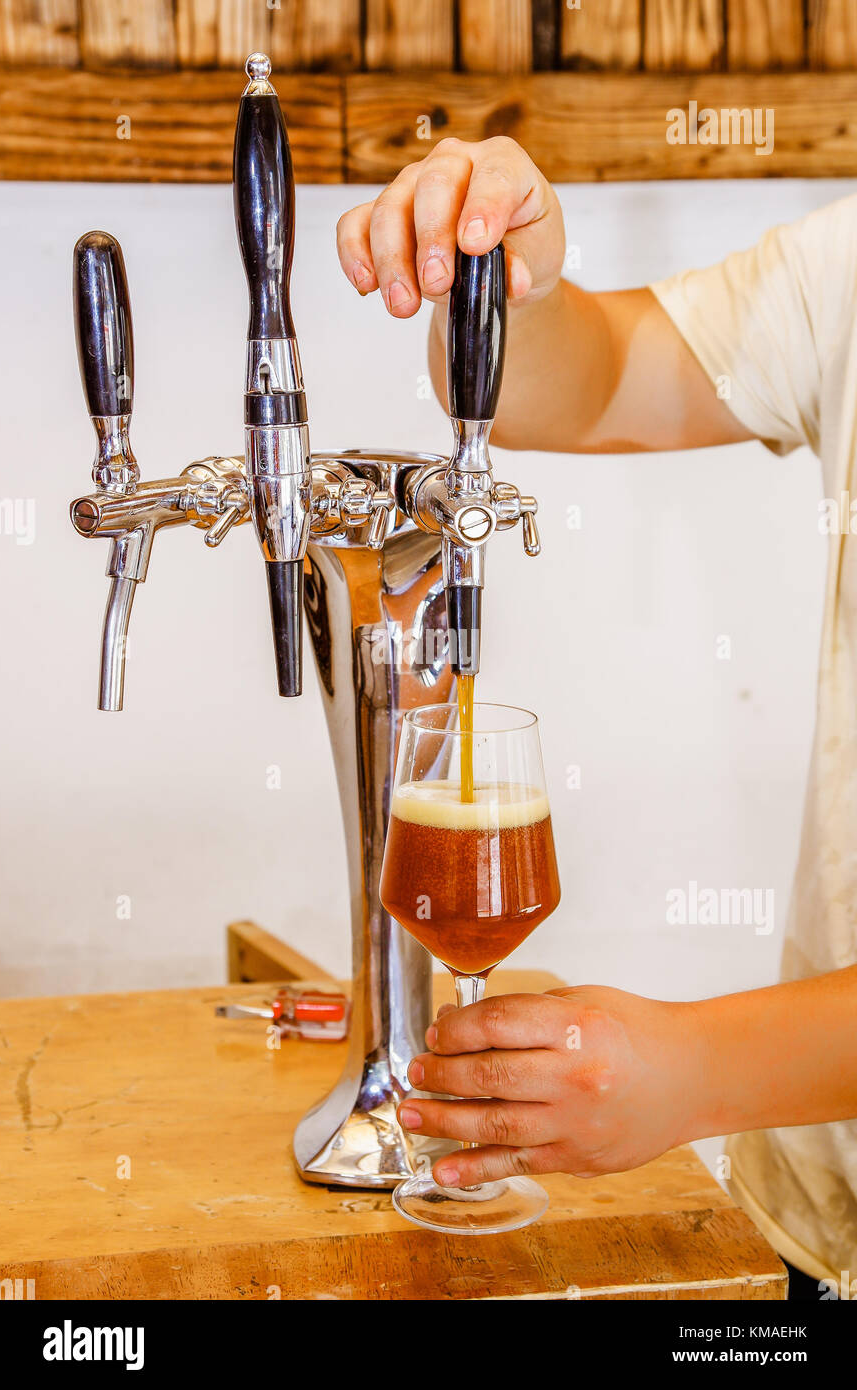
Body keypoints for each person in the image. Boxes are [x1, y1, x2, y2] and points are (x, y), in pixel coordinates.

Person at [336, 137, 857, 1294]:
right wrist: (512, 272)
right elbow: (587, 379)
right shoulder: (848, 265)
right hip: (824, 1213)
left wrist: (692, 1069)